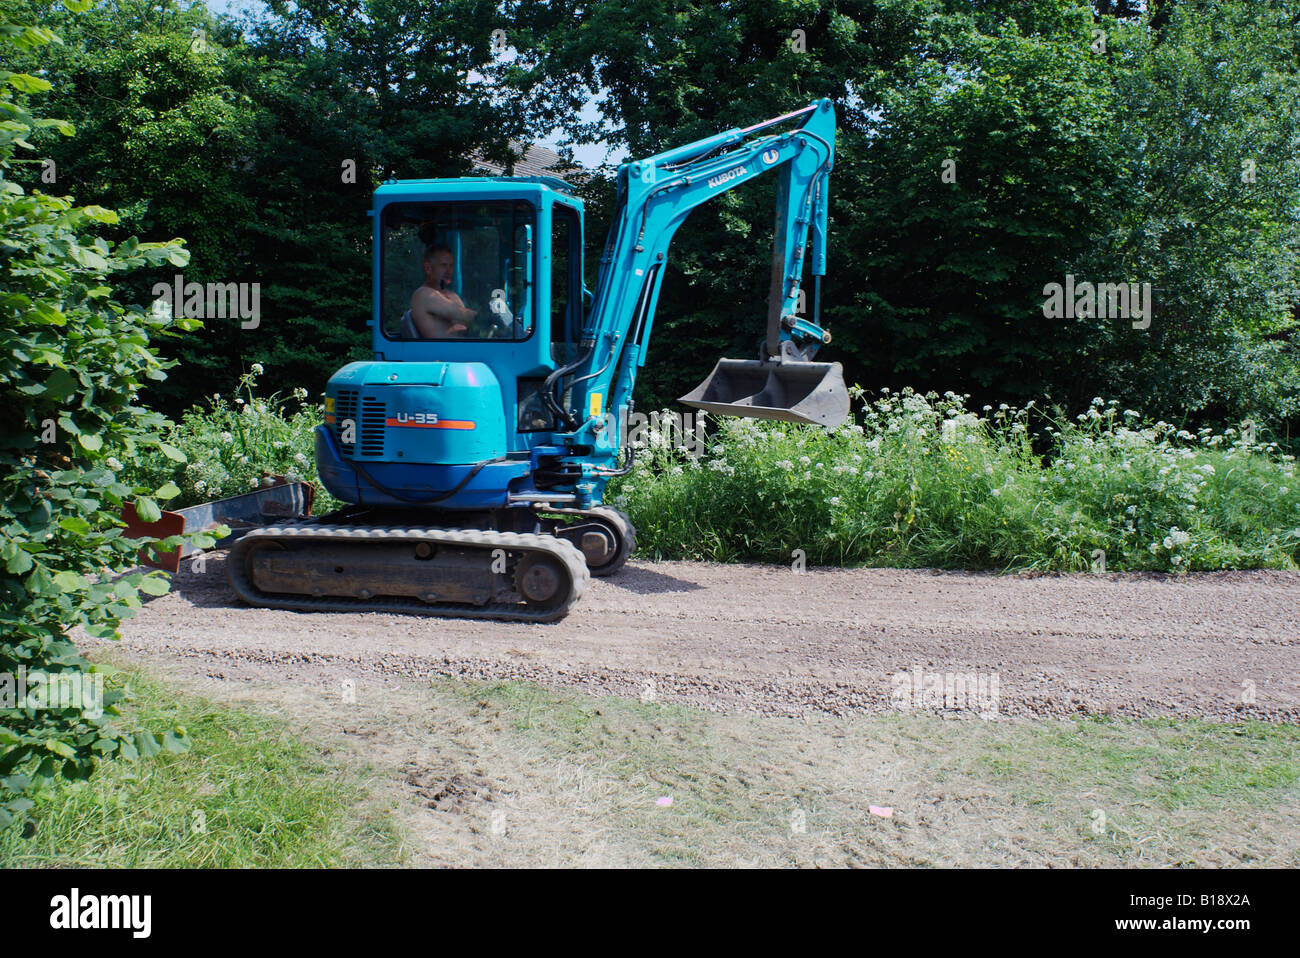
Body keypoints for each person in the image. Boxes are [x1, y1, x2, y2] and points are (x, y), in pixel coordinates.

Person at [409, 245, 475, 338]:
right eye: (443, 265)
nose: (449, 271)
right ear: (428, 268)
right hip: (439, 351)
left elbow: (465, 326)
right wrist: (485, 317)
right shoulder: (423, 294)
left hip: (459, 349)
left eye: (451, 266)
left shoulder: (451, 295)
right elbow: (464, 315)